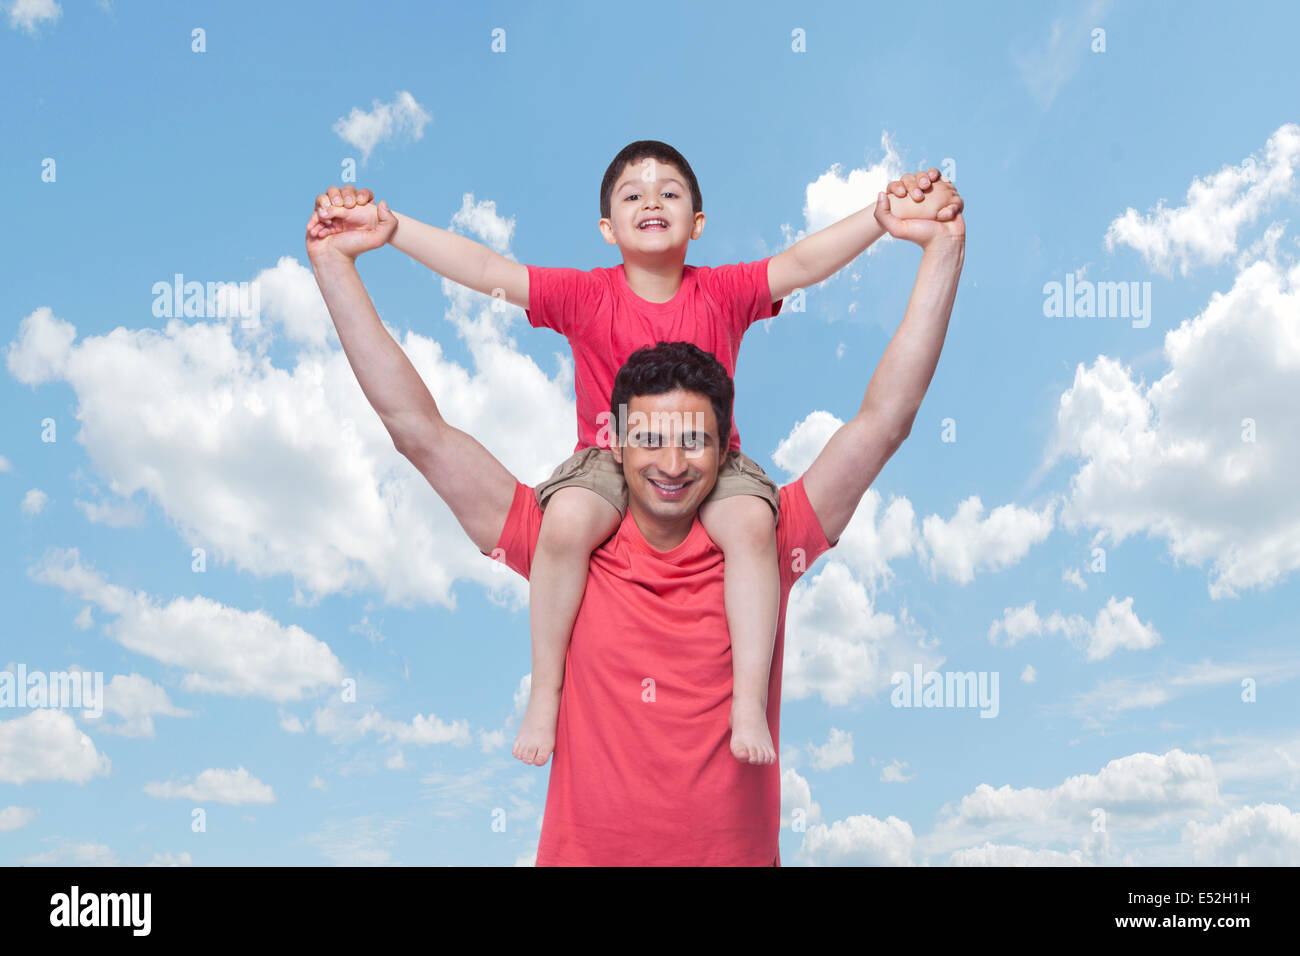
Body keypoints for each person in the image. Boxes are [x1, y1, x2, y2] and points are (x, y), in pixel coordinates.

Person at [305, 182, 965, 865]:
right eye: (649, 440)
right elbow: (419, 431)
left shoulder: (767, 539)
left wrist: (942, 249)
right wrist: (334, 267)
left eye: (694, 440)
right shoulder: (565, 540)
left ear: (725, 445)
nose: (673, 463)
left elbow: (886, 420)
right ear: (614, 446)